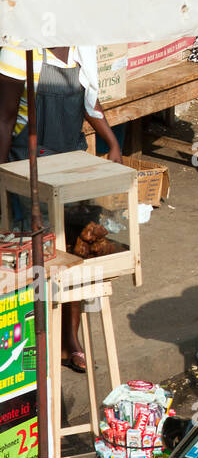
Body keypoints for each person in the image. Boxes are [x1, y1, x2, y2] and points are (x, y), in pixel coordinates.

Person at [0, 45, 123, 374]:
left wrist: (111, 143)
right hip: (29, 169)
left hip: (72, 164)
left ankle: (70, 339)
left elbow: (89, 102)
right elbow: (5, 115)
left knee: (76, 253)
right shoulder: (18, 49)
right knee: (36, 257)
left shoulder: (80, 46)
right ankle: (30, 343)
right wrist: (1, 176)